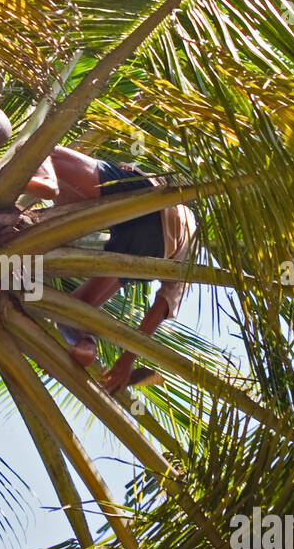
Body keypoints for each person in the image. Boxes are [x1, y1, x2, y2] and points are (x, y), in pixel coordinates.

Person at [19, 145, 196, 393]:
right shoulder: (188, 247)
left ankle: (46, 179)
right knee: (75, 312)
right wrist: (126, 361)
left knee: (42, 149)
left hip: (145, 200)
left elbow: (122, 173)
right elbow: (163, 304)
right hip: (151, 252)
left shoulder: (148, 181)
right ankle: (85, 346)